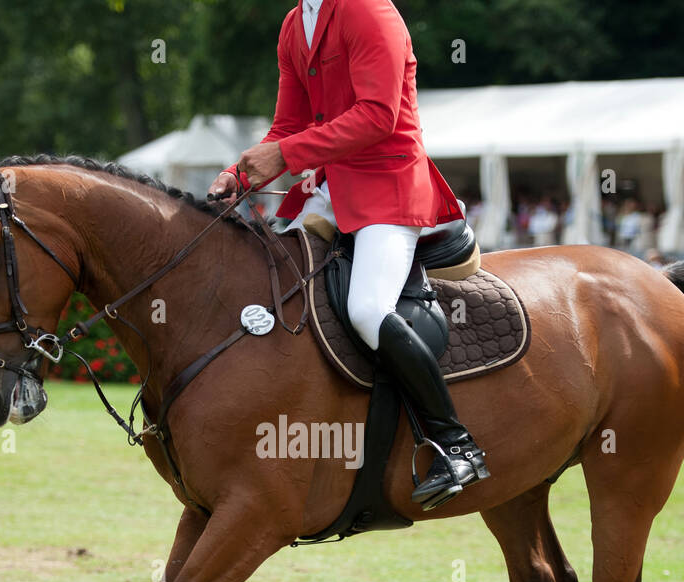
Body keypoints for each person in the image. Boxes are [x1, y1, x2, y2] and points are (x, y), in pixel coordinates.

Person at [208, 0, 488, 511]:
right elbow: (288, 124)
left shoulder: (367, 11)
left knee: (365, 310)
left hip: (389, 188)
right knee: (271, 285)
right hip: (332, 187)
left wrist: (291, 156)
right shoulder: (295, 24)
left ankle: (456, 444)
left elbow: (379, 115)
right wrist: (240, 175)